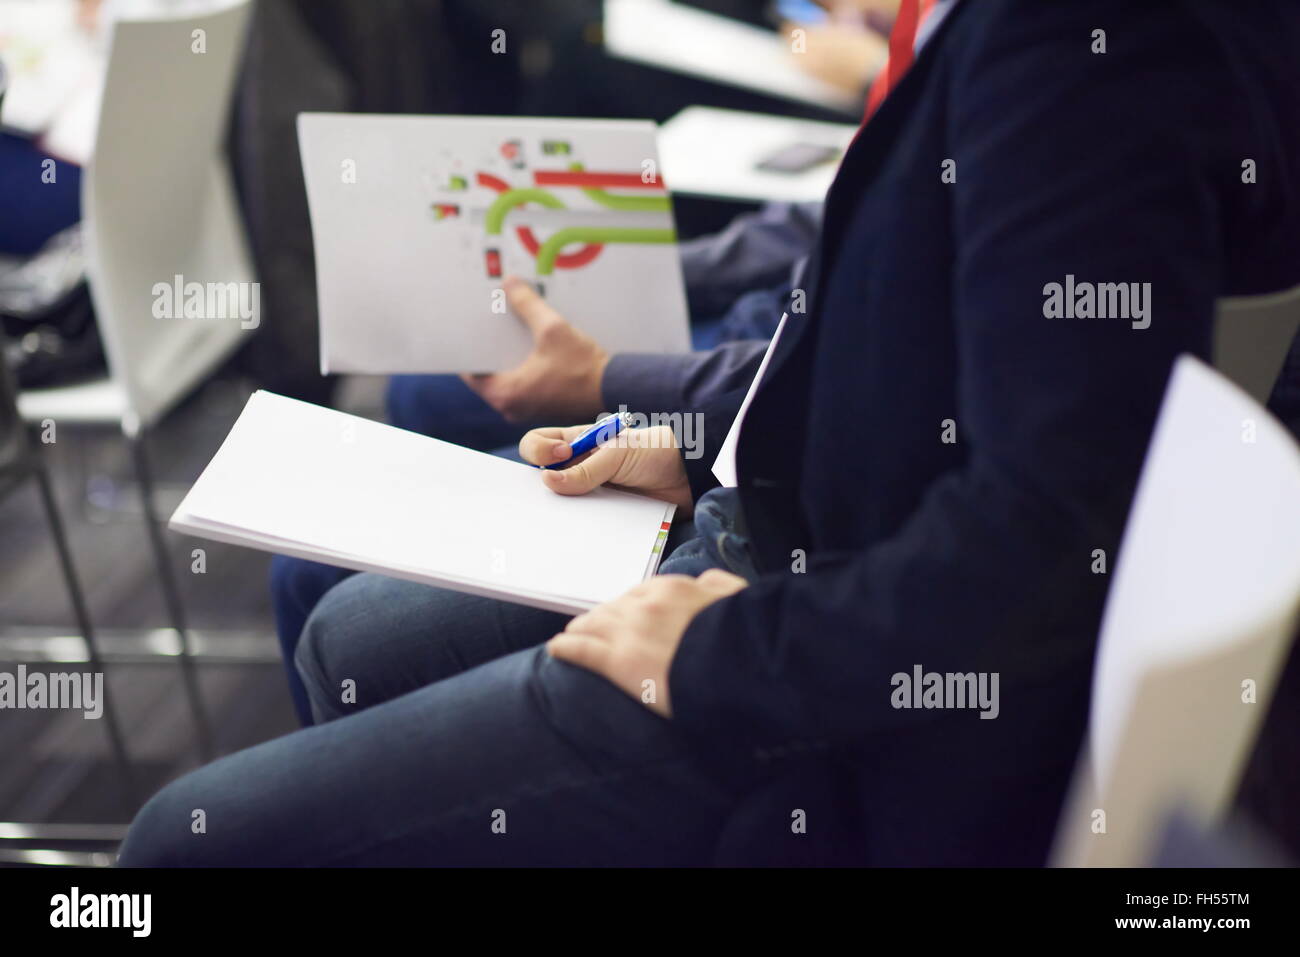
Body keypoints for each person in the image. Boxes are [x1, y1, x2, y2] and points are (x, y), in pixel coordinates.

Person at [119, 0, 1300, 866]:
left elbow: (1037, 540)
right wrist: (697, 441)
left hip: (831, 657)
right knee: (349, 630)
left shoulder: (1082, 56)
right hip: (786, 524)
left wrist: (716, 656)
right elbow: (900, 351)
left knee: (187, 838)